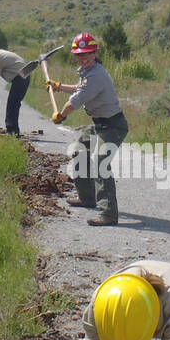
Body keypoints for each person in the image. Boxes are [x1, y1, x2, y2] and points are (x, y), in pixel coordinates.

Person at [45, 32, 127, 226]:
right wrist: (58, 86)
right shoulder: (89, 72)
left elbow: (75, 101)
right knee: (79, 150)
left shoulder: (96, 75)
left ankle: (109, 213)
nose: (84, 58)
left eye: (88, 53)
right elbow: (79, 88)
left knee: (100, 163)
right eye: (80, 55)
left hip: (113, 125)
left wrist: (61, 115)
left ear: (95, 53)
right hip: (99, 123)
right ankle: (87, 197)